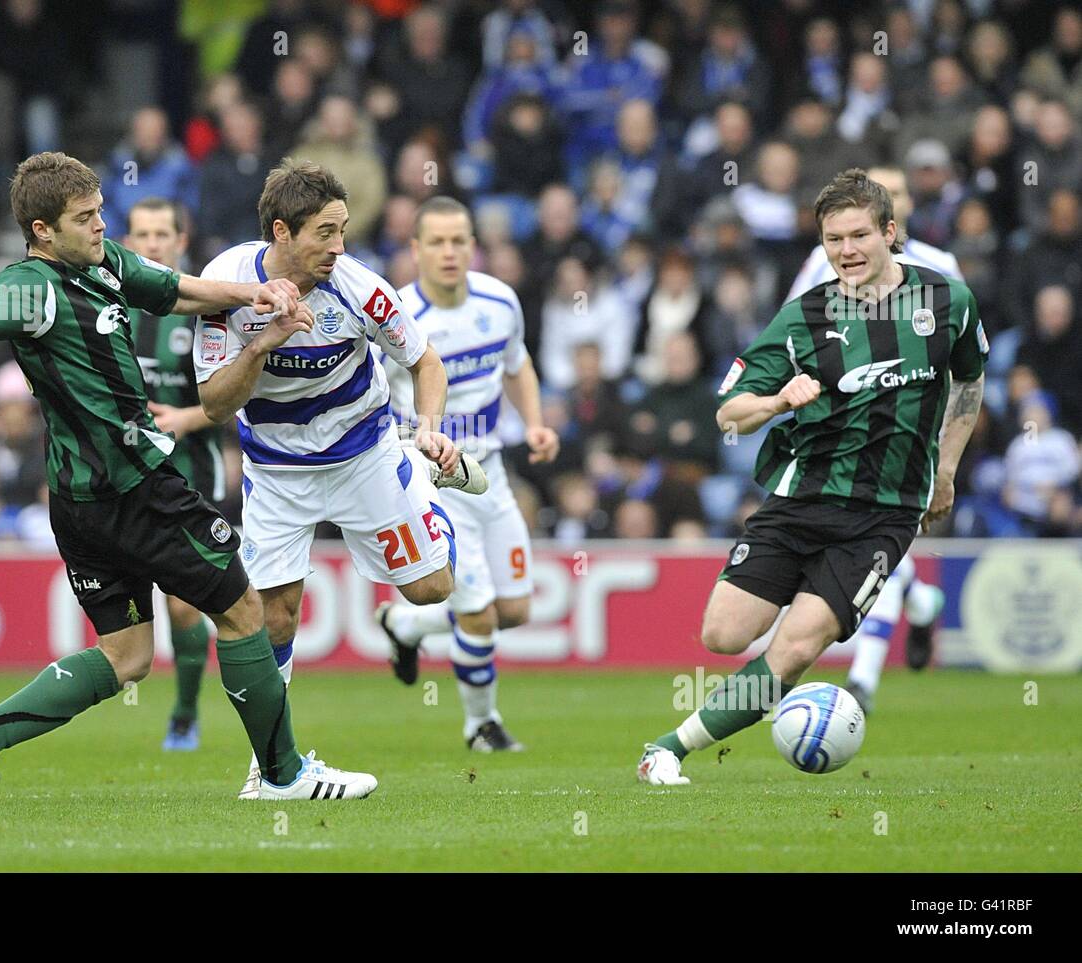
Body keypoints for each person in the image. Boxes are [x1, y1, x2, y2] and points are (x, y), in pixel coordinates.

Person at [0, 151, 377, 805]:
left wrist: (254, 292)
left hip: (80, 505)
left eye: (101, 210)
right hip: (138, 490)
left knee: (127, 655)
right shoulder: (32, 287)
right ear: (43, 231)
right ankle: (283, 775)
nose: (103, 224)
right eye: (85, 217)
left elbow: (177, 290)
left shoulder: (103, 264)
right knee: (245, 610)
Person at [639, 169, 987, 786]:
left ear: (890, 232)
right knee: (722, 635)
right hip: (800, 499)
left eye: (859, 236)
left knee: (796, 647)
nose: (847, 251)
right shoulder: (804, 317)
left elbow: (968, 380)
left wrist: (948, 469)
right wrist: (776, 402)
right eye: (833, 240)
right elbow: (730, 412)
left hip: (886, 513)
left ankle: (668, 749)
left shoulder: (947, 302)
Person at [194, 160, 489, 797]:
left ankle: (429, 480)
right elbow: (216, 403)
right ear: (281, 231)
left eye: (343, 230)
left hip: (366, 455)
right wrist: (262, 343)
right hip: (276, 471)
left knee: (433, 590)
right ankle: (273, 770)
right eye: (325, 233)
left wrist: (430, 424)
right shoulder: (224, 285)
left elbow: (425, 361)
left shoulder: (362, 289)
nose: (339, 246)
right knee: (273, 619)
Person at [375, 196, 559, 752]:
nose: (450, 252)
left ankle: (405, 627)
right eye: (437, 242)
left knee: (515, 611)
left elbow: (517, 362)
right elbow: (369, 392)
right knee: (476, 615)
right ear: (416, 250)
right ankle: (481, 726)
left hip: (491, 474)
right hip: (430, 479)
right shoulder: (394, 315)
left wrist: (534, 423)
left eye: (459, 240)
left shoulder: (499, 301)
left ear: (473, 245)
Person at [784, 165, 958, 713]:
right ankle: (919, 603)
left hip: (914, 430)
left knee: (878, 542)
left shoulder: (941, 268)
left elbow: (963, 363)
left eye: (902, 193)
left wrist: (947, 448)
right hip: (840, 428)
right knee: (879, 550)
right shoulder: (825, 261)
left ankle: (862, 678)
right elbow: (792, 330)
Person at [120, 196, 224, 751]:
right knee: (141, 605)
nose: (153, 242)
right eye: (143, 233)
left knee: (183, 599)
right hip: (127, 472)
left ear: (181, 241)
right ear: (130, 242)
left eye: (163, 233)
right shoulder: (111, 306)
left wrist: (186, 417)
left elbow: (236, 395)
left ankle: (184, 711)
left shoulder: (204, 307)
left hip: (193, 468)